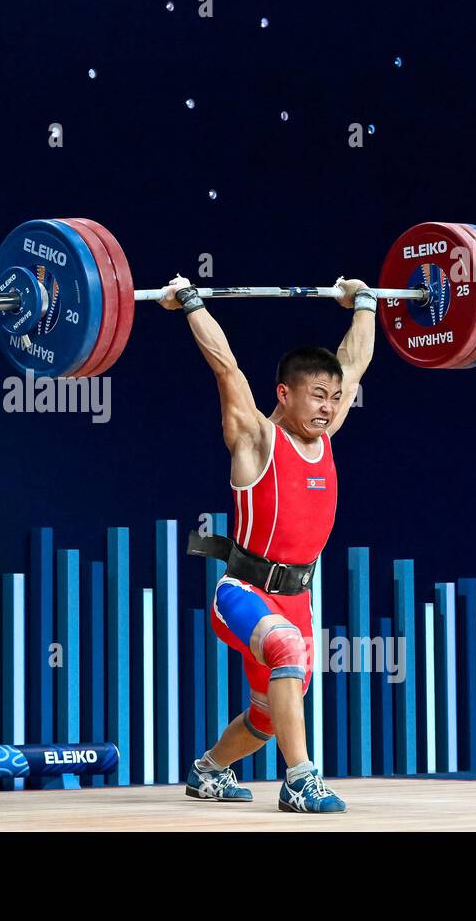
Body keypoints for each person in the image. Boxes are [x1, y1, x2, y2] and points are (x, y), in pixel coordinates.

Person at [159, 275, 375, 813]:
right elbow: (226, 368)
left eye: (332, 398)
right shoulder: (257, 438)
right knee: (286, 649)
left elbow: (355, 364)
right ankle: (301, 779)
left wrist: (365, 302)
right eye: (316, 396)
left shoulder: (325, 432)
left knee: (265, 716)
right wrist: (190, 303)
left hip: (297, 600)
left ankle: (208, 770)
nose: (328, 406)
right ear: (284, 393)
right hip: (242, 592)